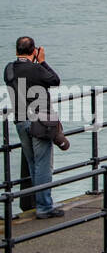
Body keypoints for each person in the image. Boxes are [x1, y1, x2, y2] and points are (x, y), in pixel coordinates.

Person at [4, 37, 68, 217]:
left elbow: (19, 77)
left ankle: (38, 203)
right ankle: (44, 207)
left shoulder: (8, 69)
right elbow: (55, 80)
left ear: (16, 50)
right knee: (43, 165)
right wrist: (42, 61)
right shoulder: (37, 68)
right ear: (33, 51)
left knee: (33, 164)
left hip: (20, 122)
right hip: (39, 122)